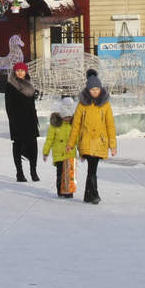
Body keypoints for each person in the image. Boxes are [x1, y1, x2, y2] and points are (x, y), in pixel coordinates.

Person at [70, 75, 116, 204]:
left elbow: (110, 125)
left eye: (97, 89)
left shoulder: (105, 105)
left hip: (100, 142)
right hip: (86, 141)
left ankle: (87, 195)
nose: (95, 92)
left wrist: (113, 145)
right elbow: (76, 125)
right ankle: (94, 194)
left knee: (92, 169)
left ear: (100, 89)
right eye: (92, 89)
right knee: (92, 168)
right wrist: (71, 143)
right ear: (88, 90)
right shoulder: (82, 105)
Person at [0, 60, 40, 183]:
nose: (20, 73)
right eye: (18, 70)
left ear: (26, 72)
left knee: (33, 146)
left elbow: (31, 104)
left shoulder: (29, 84)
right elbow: (9, 106)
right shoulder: (11, 85)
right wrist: (13, 121)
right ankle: (19, 173)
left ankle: (33, 171)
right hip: (17, 120)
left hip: (31, 120)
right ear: (14, 72)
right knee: (18, 145)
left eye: (22, 70)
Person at [42, 110, 76, 198]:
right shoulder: (55, 125)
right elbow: (49, 140)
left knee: (70, 174)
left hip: (70, 153)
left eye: (69, 117)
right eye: (66, 117)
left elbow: (78, 139)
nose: (67, 119)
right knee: (60, 173)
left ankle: (69, 192)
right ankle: (60, 191)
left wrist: (82, 152)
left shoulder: (74, 125)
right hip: (59, 154)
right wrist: (45, 152)